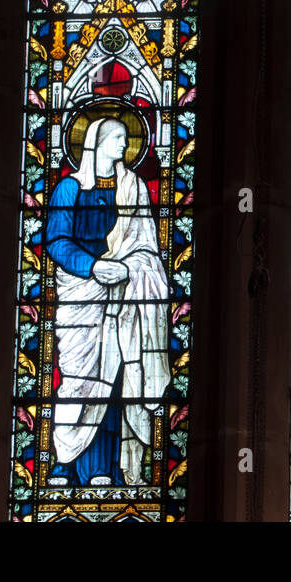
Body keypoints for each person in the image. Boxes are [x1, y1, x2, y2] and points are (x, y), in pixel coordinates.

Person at [45, 117, 169, 486]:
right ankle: (65, 463)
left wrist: (130, 268)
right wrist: (94, 266)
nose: (124, 145)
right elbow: (56, 241)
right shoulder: (69, 189)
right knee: (78, 380)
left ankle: (105, 468)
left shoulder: (133, 188)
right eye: (117, 138)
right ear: (95, 143)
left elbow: (147, 244)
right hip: (80, 291)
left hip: (123, 294)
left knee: (116, 377)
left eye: (127, 138)